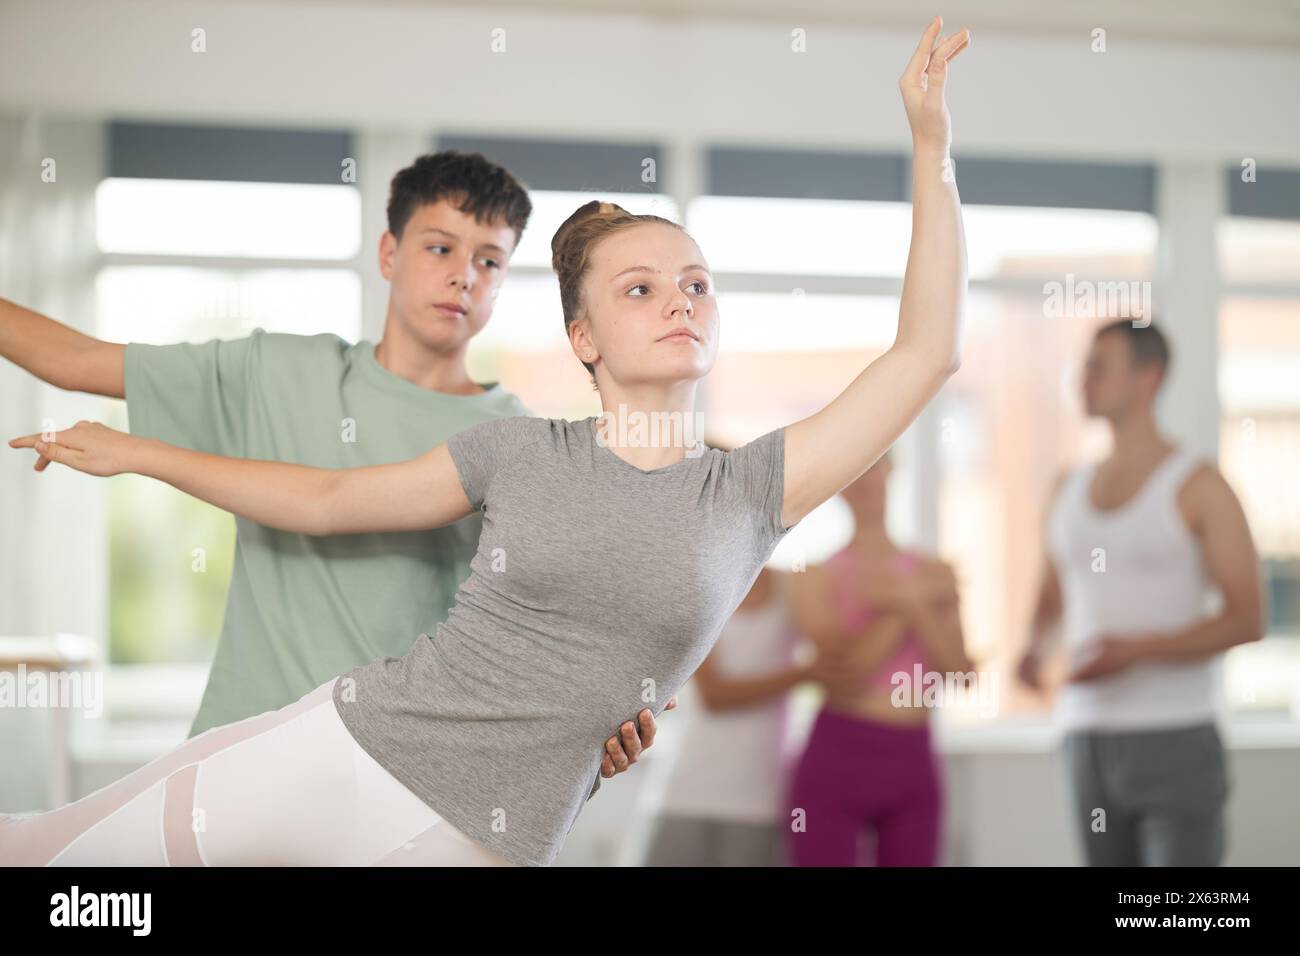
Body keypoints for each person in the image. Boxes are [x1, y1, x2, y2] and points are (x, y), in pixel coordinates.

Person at [2, 16, 970, 867]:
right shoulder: (516, 448)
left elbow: (926, 352)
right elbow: (332, 501)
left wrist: (930, 147)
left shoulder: (756, 488)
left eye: (696, 281)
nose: (679, 296)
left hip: (498, 834)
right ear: (582, 337)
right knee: (59, 857)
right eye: (638, 287)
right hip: (346, 747)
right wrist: (137, 452)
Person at [0, 150, 659, 777]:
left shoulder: (519, 441)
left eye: (490, 260)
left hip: (400, 781)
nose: (465, 275)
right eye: (440, 247)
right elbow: (78, 361)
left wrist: (608, 713)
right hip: (238, 758)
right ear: (389, 253)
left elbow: (550, 624)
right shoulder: (276, 371)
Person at [1017, 318, 1265, 866]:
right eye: (1084, 367)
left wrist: (1134, 652)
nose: (1083, 379)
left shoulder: (1199, 486)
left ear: (1148, 378)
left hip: (1174, 734)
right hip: (1085, 737)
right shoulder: (1067, 489)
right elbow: (1051, 601)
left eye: (1099, 368)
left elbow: (1248, 618)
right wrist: (1031, 654)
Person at [785, 452, 970, 866]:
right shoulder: (814, 576)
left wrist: (909, 602)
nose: (865, 482)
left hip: (913, 759)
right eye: (853, 471)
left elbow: (960, 673)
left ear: (893, 470)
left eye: (874, 466)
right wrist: (911, 602)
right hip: (837, 756)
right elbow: (847, 675)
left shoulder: (934, 569)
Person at [639, 566, 811, 867]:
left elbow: (837, 647)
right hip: (685, 791)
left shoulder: (795, 588)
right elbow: (715, 696)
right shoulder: (706, 583)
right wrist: (805, 674)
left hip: (760, 799)